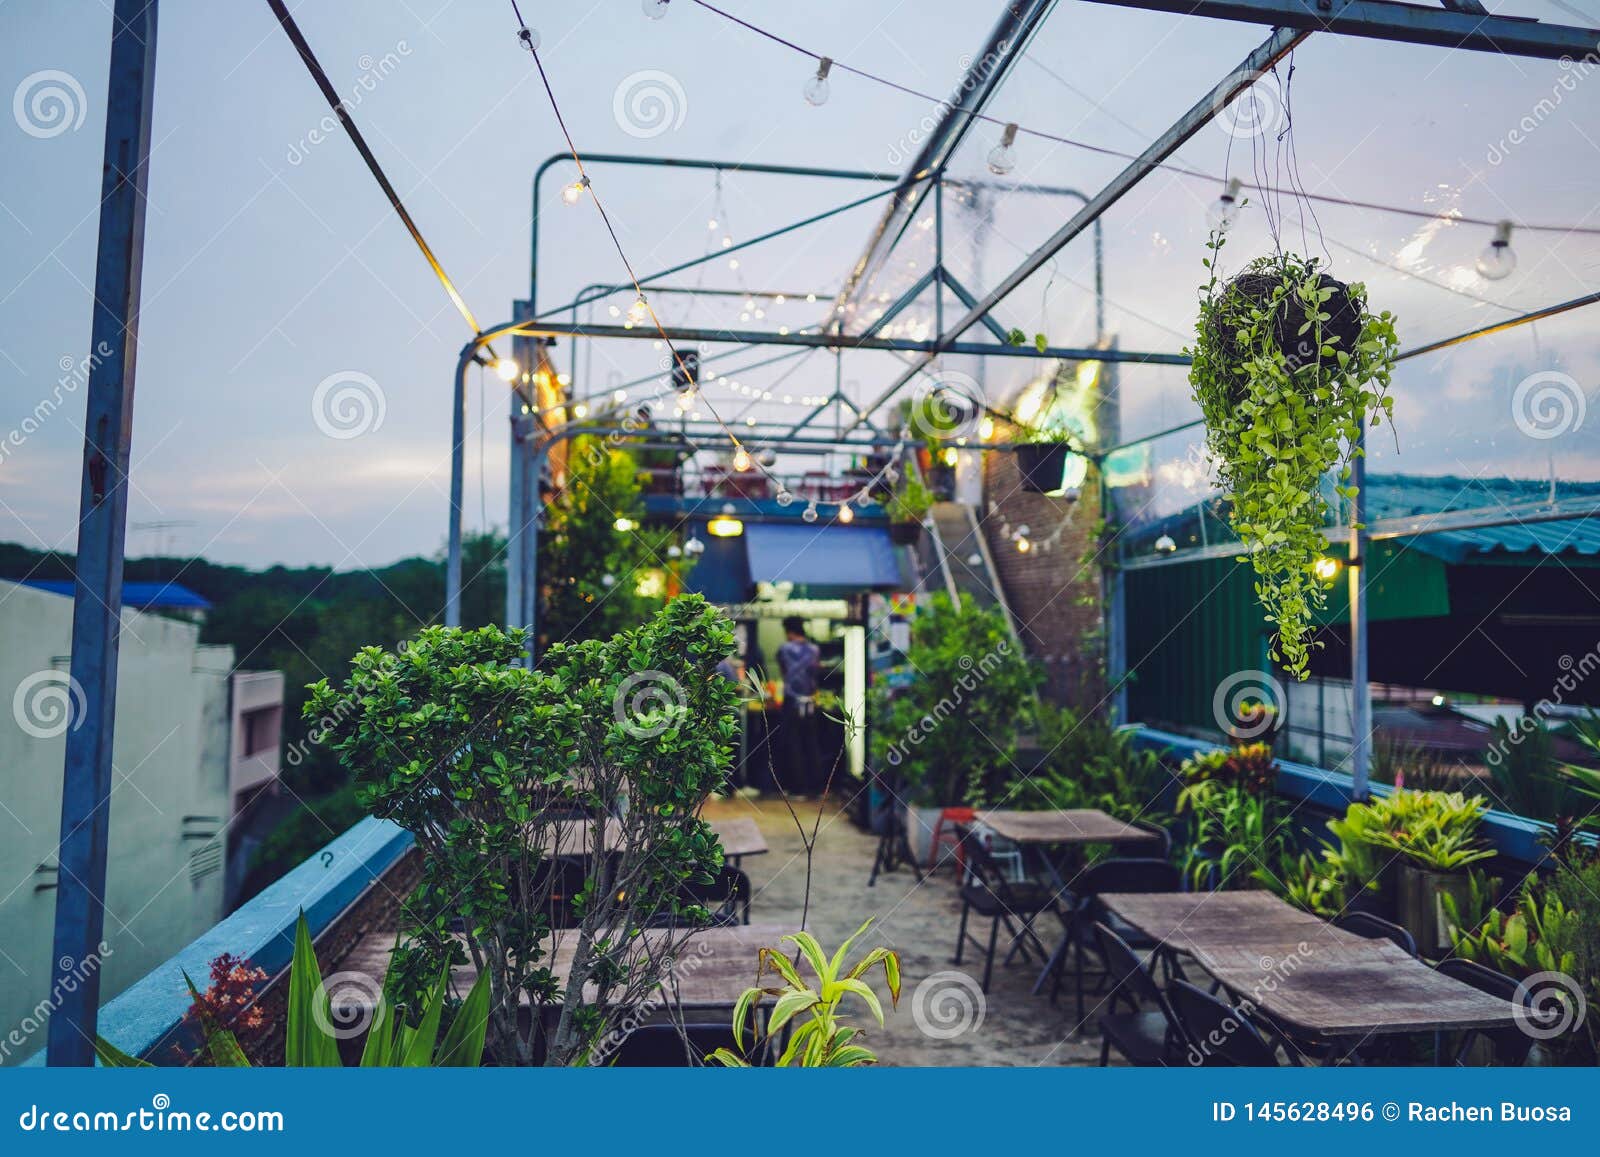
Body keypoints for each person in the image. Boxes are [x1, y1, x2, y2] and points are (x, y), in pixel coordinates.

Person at [775, 617, 824, 797]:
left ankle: (798, 788)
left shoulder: (784, 649)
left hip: (792, 701)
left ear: (789, 631)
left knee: (793, 744)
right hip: (810, 701)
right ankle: (816, 787)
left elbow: (784, 672)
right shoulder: (814, 650)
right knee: (812, 743)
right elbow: (816, 673)